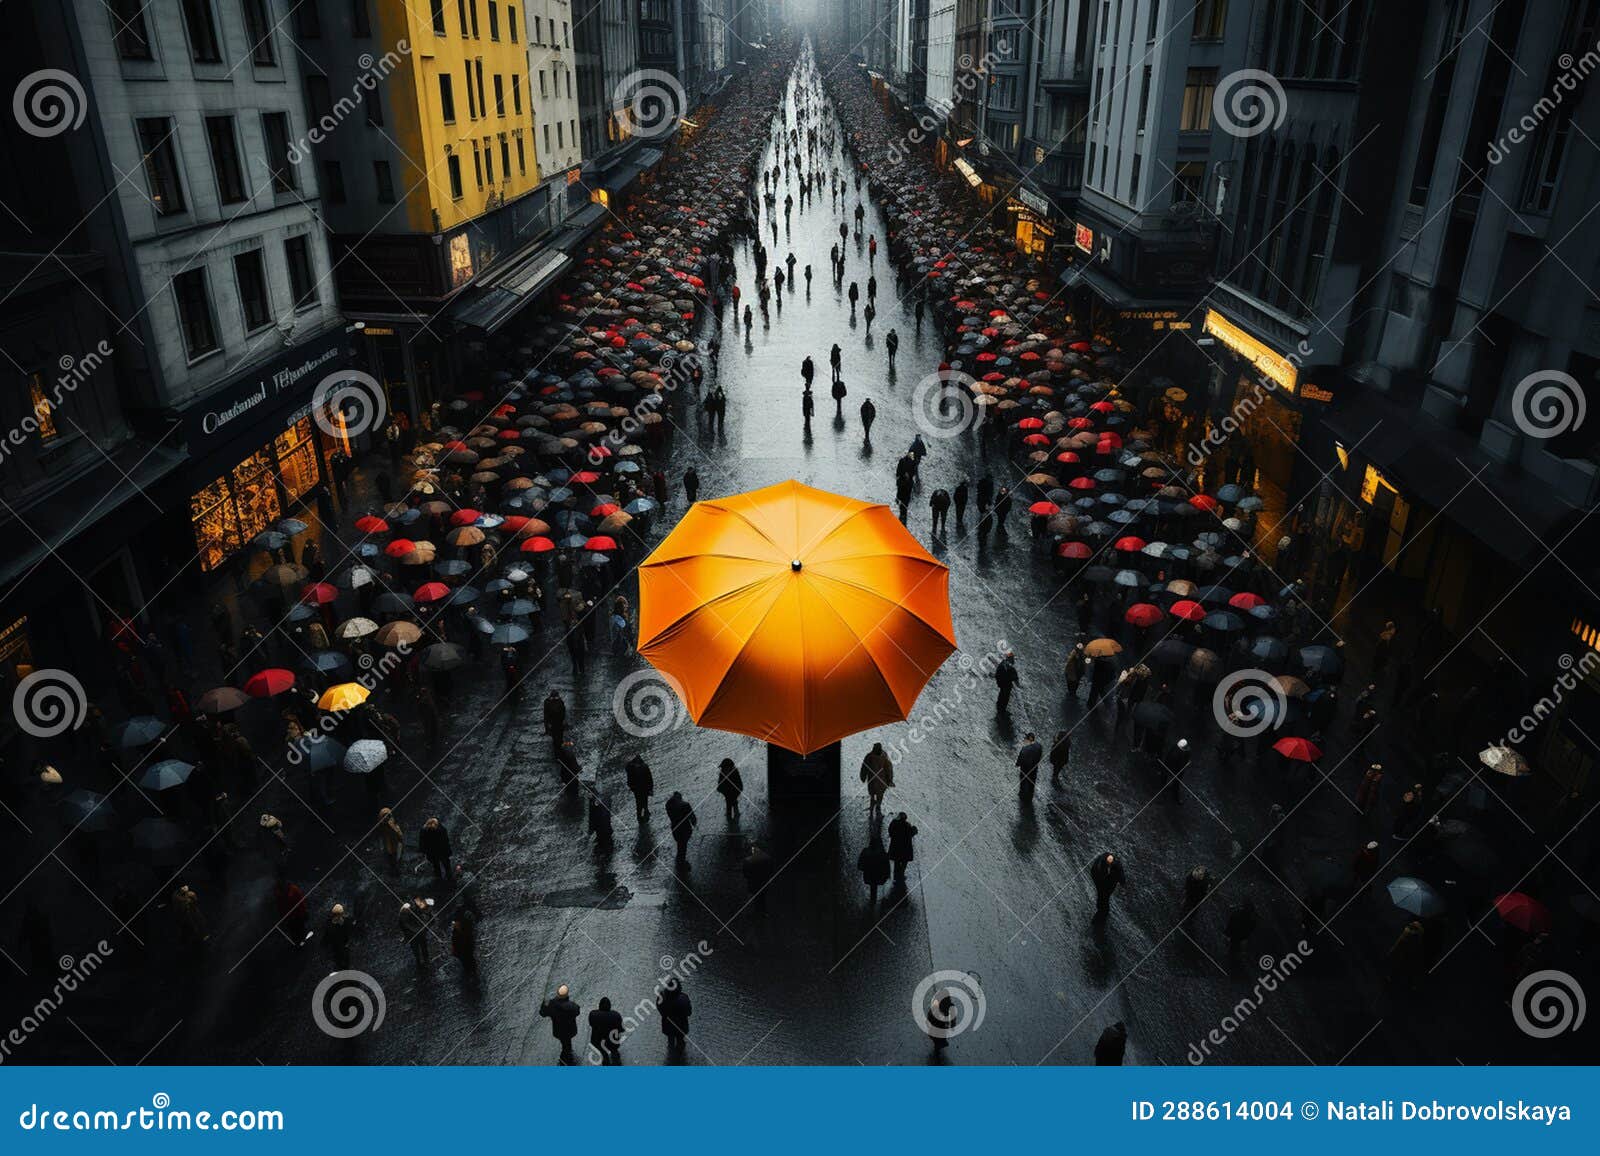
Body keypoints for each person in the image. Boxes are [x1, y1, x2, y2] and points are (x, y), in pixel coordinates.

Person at [539, 984, 582, 1064]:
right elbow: (578, 1011)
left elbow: (542, 1013)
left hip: (558, 1031)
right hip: (570, 1030)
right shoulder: (572, 1006)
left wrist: (544, 1005)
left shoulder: (552, 1005)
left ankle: (566, 1056)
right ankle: (566, 1059)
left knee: (565, 1043)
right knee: (566, 1044)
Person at [859, 742, 894, 814]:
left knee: (874, 792)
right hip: (881, 779)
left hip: (874, 779)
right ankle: (877, 804)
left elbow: (864, 767)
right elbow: (888, 768)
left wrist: (863, 776)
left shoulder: (869, 756)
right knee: (879, 793)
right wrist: (889, 779)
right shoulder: (883, 756)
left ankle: (874, 803)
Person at [858, 830, 891, 907]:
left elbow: (861, 861)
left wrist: (861, 867)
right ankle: (873, 899)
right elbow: (886, 864)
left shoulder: (866, 851)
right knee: (874, 884)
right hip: (878, 873)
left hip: (869, 873)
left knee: (872, 885)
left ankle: (873, 900)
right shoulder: (881, 853)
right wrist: (887, 873)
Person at [657, 982, 692, 1053]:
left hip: (668, 1026)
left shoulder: (662, 997)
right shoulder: (684, 998)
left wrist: (664, 1015)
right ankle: (680, 1058)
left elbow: (659, 1008)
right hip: (681, 1027)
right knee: (680, 1042)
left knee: (670, 1042)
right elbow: (689, 1013)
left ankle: (671, 1056)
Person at [1089, 852, 1123, 923]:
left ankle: (1102, 913)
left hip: (1108, 883)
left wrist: (1120, 881)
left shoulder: (1115, 865)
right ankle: (1102, 912)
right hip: (1102, 882)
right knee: (1103, 896)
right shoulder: (1099, 867)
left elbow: (1120, 874)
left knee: (1104, 897)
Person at [741, 841, 775, 914]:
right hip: (764, 882)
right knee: (762, 897)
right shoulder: (768, 858)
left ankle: (757, 912)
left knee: (755, 898)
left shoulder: (747, 860)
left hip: (753, 883)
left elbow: (745, 874)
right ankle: (763, 911)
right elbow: (771, 870)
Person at [588, 997, 624, 1065]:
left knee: (603, 1052)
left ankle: (605, 1059)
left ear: (599, 1006)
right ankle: (616, 1059)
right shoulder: (616, 1015)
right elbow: (620, 1029)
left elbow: (591, 1024)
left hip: (597, 1041)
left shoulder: (593, 1014)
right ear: (610, 1006)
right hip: (612, 1041)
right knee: (614, 1050)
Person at [887, 812, 918, 887]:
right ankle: (901, 875)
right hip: (905, 849)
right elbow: (912, 833)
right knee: (904, 862)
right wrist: (914, 829)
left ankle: (896, 876)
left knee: (897, 862)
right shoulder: (907, 825)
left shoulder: (894, 824)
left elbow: (890, 832)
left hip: (896, 848)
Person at [398, 896, 431, 967]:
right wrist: (417, 930)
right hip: (412, 934)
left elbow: (424, 917)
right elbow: (405, 925)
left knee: (424, 946)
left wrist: (424, 926)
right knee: (416, 949)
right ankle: (419, 961)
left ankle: (426, 960)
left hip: (420, 932)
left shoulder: (417, 909)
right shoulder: (405, 912)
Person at [665, 790, 697, 861]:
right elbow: (692, 817)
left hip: (675, 828)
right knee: (683, 844)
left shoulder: (668, 805)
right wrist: (694, 824)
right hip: (685, 828)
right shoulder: (686, 805)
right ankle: (681, 860)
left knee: (680, 843)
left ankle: (680, 858)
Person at [625, 753, 654, 821]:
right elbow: (649, 778)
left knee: (639, 802)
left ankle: (641, 815)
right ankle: (644, 813)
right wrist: (650, 788)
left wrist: (632, 787)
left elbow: (630, 779)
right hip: (642, 788)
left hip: (638, 789)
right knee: (643, 801)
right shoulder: (643, 766)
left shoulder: (631, 768)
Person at [325, 902, 354, 968]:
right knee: (344, 956)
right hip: (342, 943)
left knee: (338, 957)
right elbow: (348, 931)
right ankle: (344, 967)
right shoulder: (345, 921)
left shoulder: (329, 923)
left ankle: (341, 966)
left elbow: (327, 935)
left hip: (336, 945)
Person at [1016, 732, 1043, 801]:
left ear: (1030, 739)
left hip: (1025, 769)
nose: (1025, 741)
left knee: (1023, 780)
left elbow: (1021, 758)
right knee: (1032, 781)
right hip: (1034, 768)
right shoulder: (1039, 746)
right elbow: (1039, 756)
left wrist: (1017, 764)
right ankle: (1030, 794)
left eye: (1026, 739)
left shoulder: (1025, 749)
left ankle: (1022, 792)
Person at [451, 909, 478, 976]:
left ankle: (472, 972)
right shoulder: (458, 930)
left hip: (465, 947)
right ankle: (470, 971)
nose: (455, 924)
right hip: (462, 948)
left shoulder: (465, 929)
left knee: (469, 960)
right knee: (466, 961)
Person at [377, 807, 404, 873]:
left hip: (391, 843)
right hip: (392, 843)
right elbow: (399, 835)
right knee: (394, 855)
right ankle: (394, 866)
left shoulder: (383, 826)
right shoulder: (391, 826)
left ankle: (393, 866)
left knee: (391, 854)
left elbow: (399, 835)